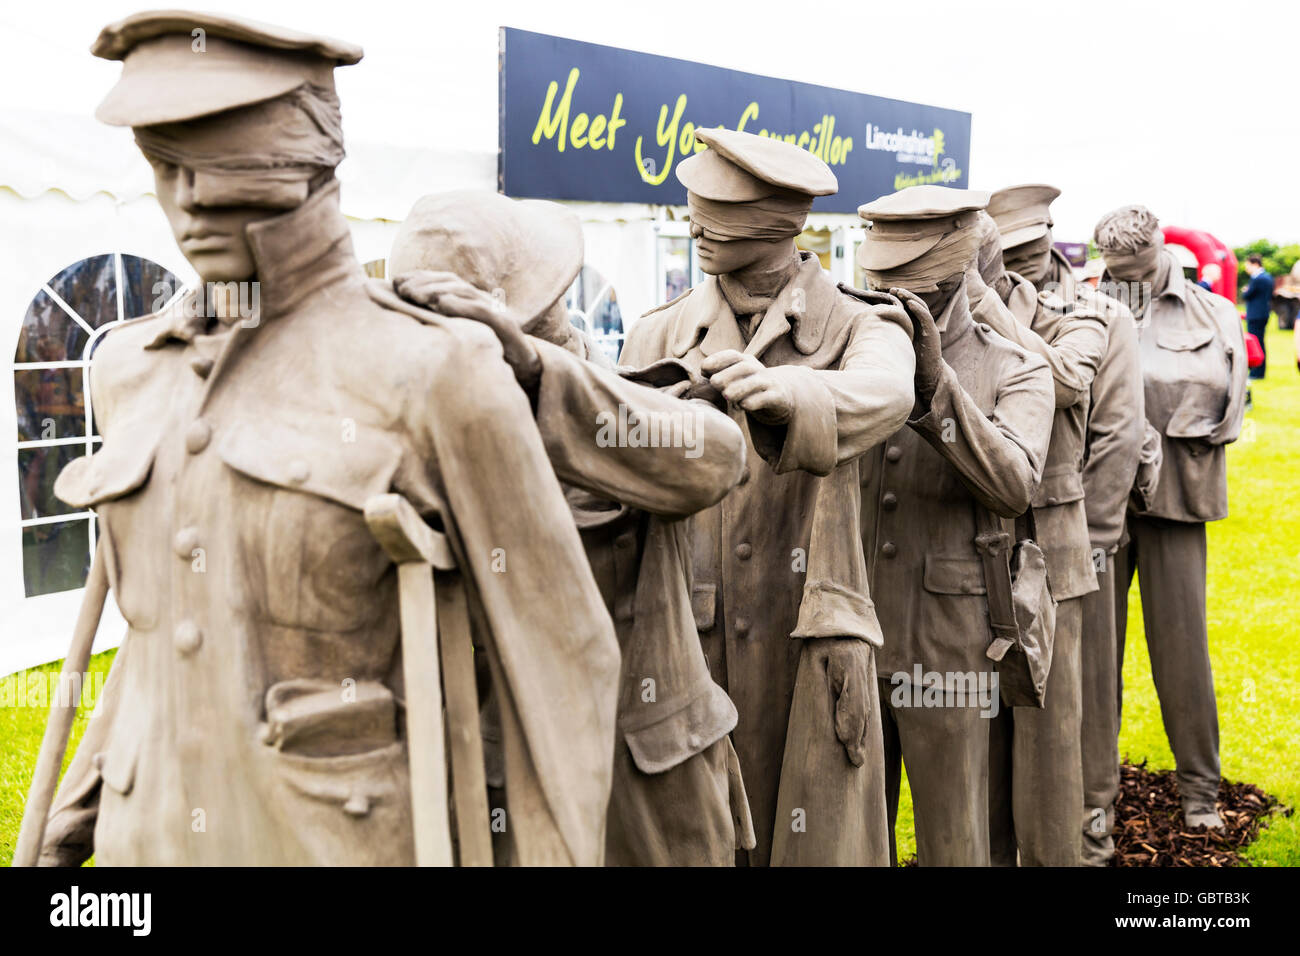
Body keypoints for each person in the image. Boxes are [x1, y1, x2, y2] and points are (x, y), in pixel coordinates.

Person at [38, 11, 635, 867]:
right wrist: (81, 811)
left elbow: (562, 666)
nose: (190, 197)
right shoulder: (134, 372)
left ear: (307, 158)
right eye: (164, 164)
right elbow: (157, 634)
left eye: (219, 162)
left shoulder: (434, 373)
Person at [385, 190, 754, 865]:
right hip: (505, 785)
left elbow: (717, 458)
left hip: (649, 782)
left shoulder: (631, 401)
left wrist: (535, 377)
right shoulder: (421, 442)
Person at [621, 127, 917, 866]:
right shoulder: (659, 332)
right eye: (695, 209)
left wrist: (793, 389)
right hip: (684, 640)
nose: (695, 227)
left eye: (719, 215)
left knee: (814, 838)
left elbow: (888, 392)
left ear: (777, 225)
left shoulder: (858, 323)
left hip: (805, 641)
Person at [857, 186, 1054, 866]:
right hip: (853, 632)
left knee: (955, 833)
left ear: (957, 272)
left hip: (950, 643)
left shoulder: (1015, 364)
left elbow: (1013, 486)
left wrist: (938, 386)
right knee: (851, 833)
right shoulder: (848, 350)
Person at [1094, 204, 1247, 830]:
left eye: (1138, 266)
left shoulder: (1214, 313)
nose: (1127, 278)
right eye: (1116, 269)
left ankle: (1199, 793)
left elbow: (1229, 399)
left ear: (1162, 252)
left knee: (1183, 653)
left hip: (1177, 501)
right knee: (1094, 656)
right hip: (1101, 503)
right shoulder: (1085, 309)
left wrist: (1167, 426)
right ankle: (1090, 792)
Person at [977, 184, 1113, 866]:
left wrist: (990, 311)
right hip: (976, 540)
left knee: (1051, 726)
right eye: (1016, 252)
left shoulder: (1083, 310)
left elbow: (1066, 379)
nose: (1030, 261)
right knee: (982, 722)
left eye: (1036, 247)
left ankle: (1059, 855)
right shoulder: (970, 302)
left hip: (1052, 542)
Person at [1241, 254, 1273, 378]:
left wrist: (1245, 290)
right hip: (1262, 314)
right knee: (1260, 342)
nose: (1246, 269)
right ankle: (1260, 372)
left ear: (1255, 264)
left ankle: (1256, 372)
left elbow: (1247, 295)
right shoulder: (1267, 277)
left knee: (1256, 344)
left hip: (1256, 315)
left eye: (1248, 265)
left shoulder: (1257, 278)